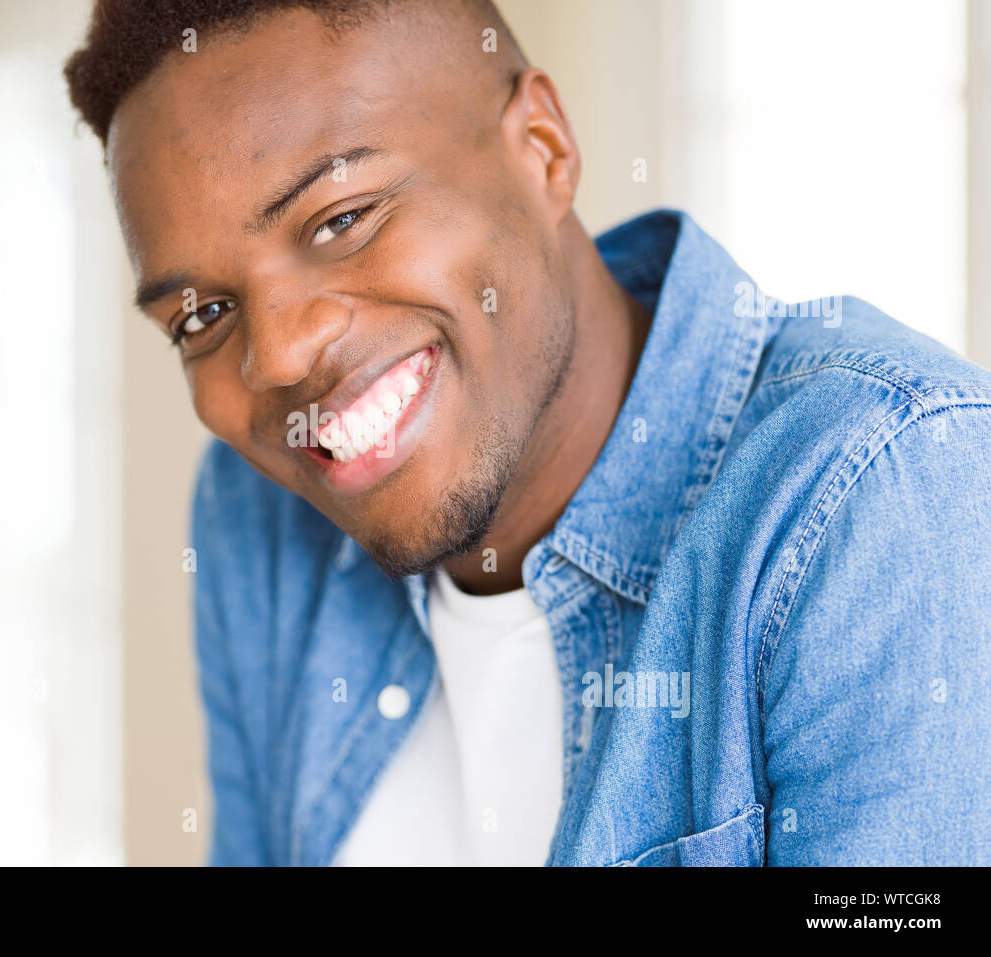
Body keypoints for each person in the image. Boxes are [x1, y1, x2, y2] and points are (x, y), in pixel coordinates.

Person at [64, 0, 991, 865]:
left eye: (343, 218)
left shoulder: (881, 487)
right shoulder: (257, 520)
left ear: (543, 149)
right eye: (202, 315)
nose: (276, 355)